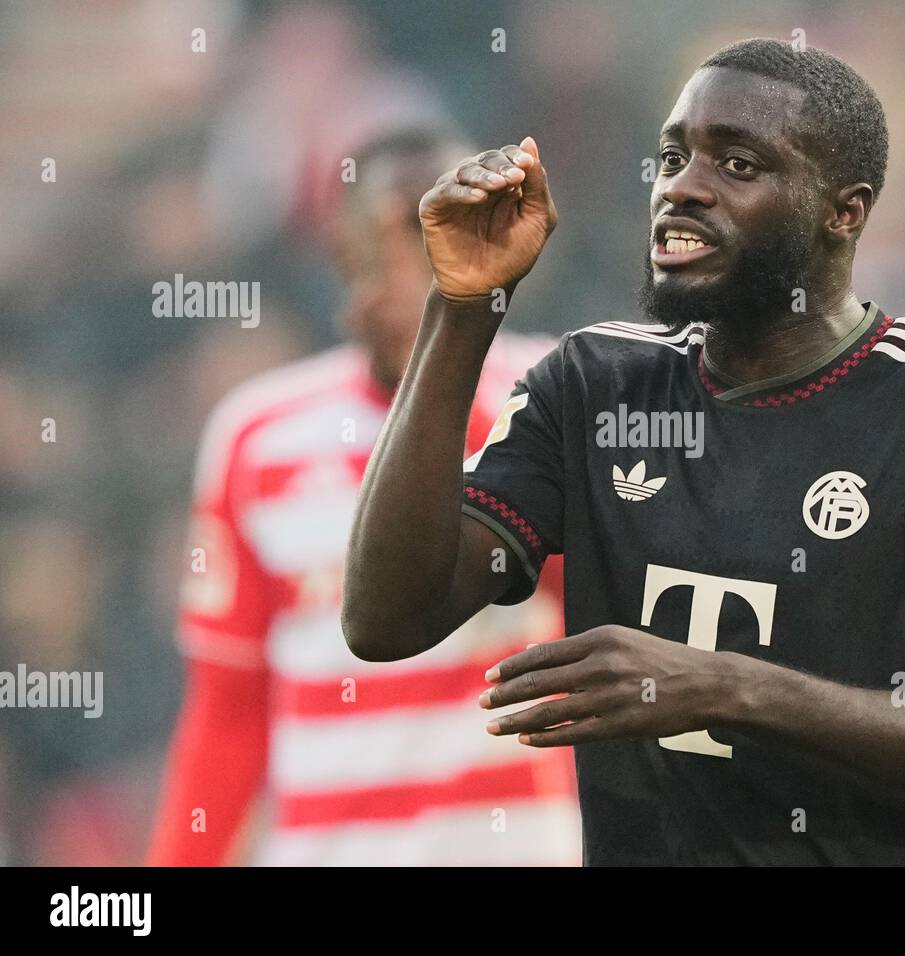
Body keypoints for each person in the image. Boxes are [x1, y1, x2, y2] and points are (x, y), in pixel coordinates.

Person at [343, 39, 905, 865]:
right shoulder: (596, 384)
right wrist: (463, 305)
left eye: (738, 165)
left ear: (843, 212)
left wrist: (726, 685)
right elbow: (386, 619)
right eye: (673, 157)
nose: (682, 187)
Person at [149, 129, 579, 866]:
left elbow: (602, 605)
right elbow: (227, 711)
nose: (423, 267)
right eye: (396, 243)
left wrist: (457, 351)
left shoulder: (554, 393)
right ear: (347, 258)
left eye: (441, 237)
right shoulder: (257, 438)